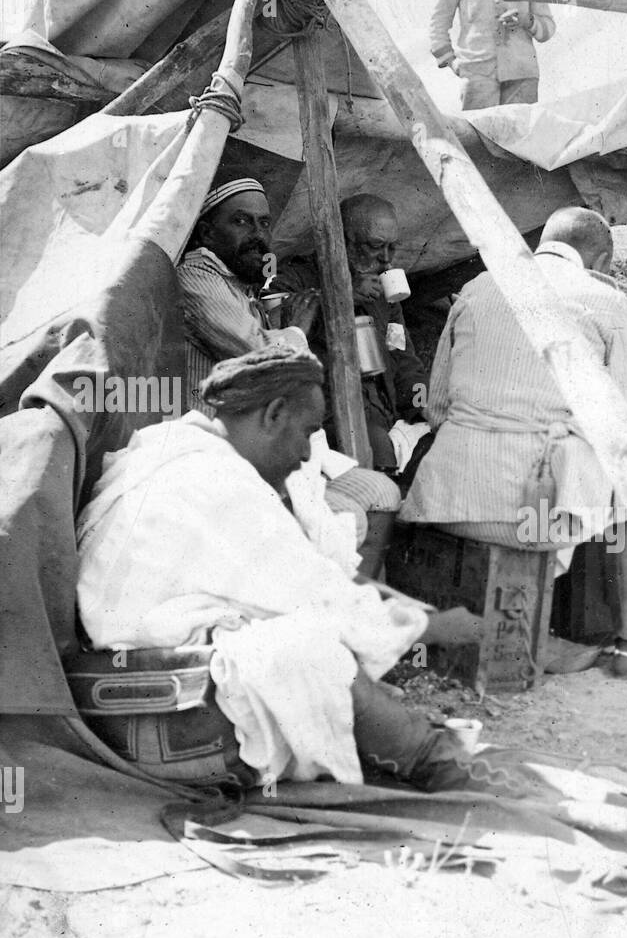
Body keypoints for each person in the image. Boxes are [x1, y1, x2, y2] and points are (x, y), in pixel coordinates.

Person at [75, 345, 511, 796]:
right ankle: (428, 758)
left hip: (131, 684)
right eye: (307, 432)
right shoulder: (216, 482)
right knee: (315, 648)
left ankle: (414, 748)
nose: (306, 453)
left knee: (300, 641)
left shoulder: (175, 452)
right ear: (274, 414)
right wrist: (437, 628)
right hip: (145, 705)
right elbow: (321, 599)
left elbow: (307, 580)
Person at [403, 207, 627, 674]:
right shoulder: (605, 300)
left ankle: (530, 632)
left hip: (446, 501)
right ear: (603, 261)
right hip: (538, 517)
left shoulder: (476, 287)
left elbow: (438, 406)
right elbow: (620, 423)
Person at [177, 173, 401, 577]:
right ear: (206, 231)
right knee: (349, 513)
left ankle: (351, 611)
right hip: (222, 452)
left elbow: (403, 356)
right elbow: (260, 355)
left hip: (268, 441)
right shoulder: (197, 277)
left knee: (383, 492)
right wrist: (299, 326)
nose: (258, 234)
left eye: (264, 223)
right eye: (241, 222)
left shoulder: (238, 286)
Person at [273, 194, 431, 476]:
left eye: (392, 248)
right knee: (376, 453)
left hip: (382, 412)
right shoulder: (296, 277)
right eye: (375, 246)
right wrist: (340, 292)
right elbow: (278, 326)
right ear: (342, 239)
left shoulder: (384, 290)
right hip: (328, 416)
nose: (385, 259)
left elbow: (402, 356)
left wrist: (421, 407)